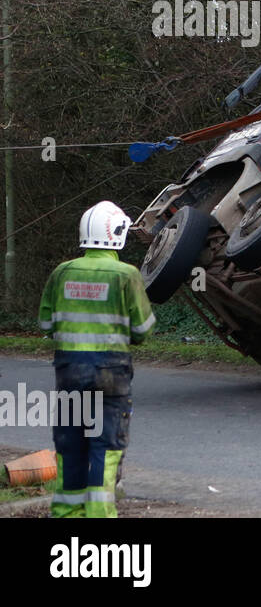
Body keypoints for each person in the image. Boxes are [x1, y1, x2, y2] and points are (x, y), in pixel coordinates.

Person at [36, 201, 154, 517]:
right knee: (106, 445)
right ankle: (100, 515)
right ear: (118, 234)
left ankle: (65, 512)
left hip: (70, 372)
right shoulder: (126, 275)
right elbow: (142, 329)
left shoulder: (62, 272)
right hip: (111, 373)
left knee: (71, 444)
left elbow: (46, 324)